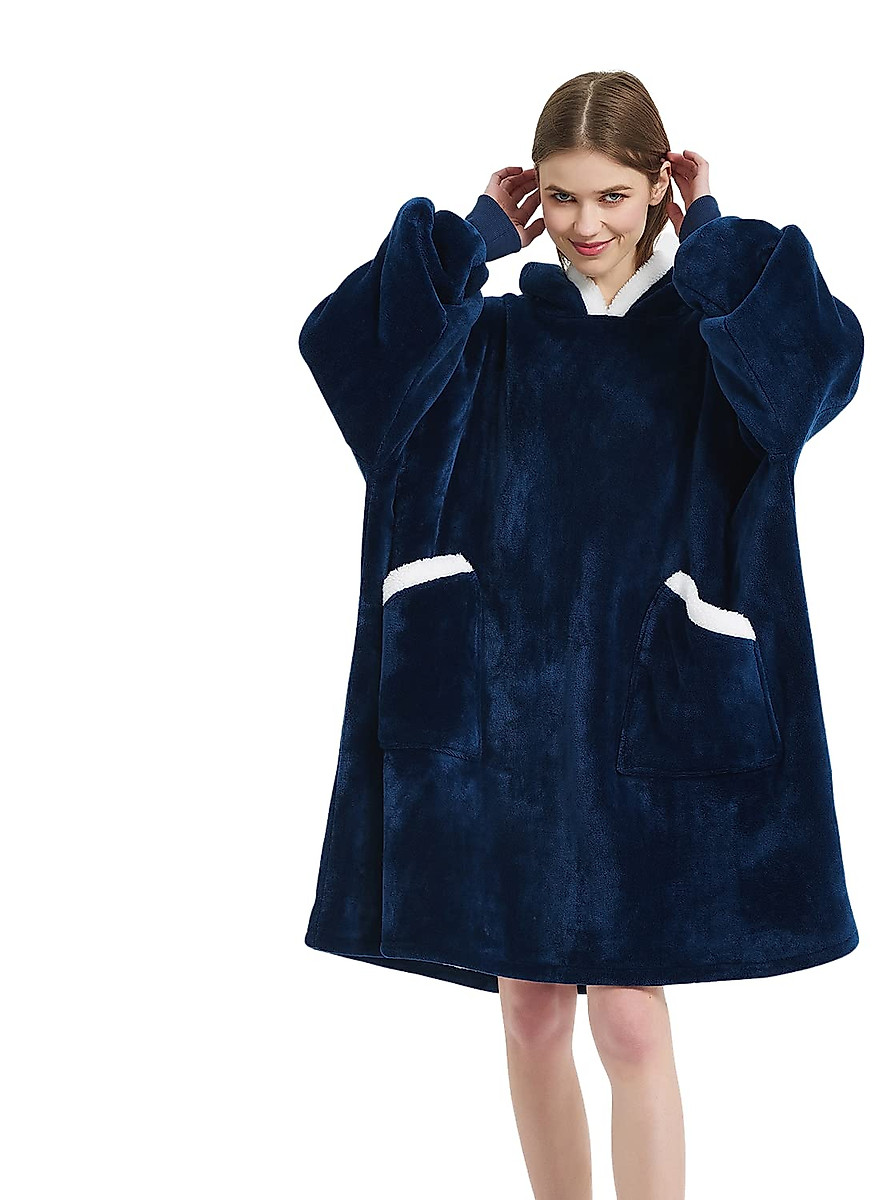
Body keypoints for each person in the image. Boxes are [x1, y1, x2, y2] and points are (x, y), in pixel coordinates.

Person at [298, 70, 865, 1199]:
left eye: (613, 195)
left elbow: (814, 371)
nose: (586, 224)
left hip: (656, 704)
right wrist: (466, 241)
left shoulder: (711, 339)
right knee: (530, 1007)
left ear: (659, 187)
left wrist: (713, 241)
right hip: (506, 713)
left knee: (633, 1021)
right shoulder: (492, 340)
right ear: (535, 196)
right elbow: (345, 353)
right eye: (561, 197)